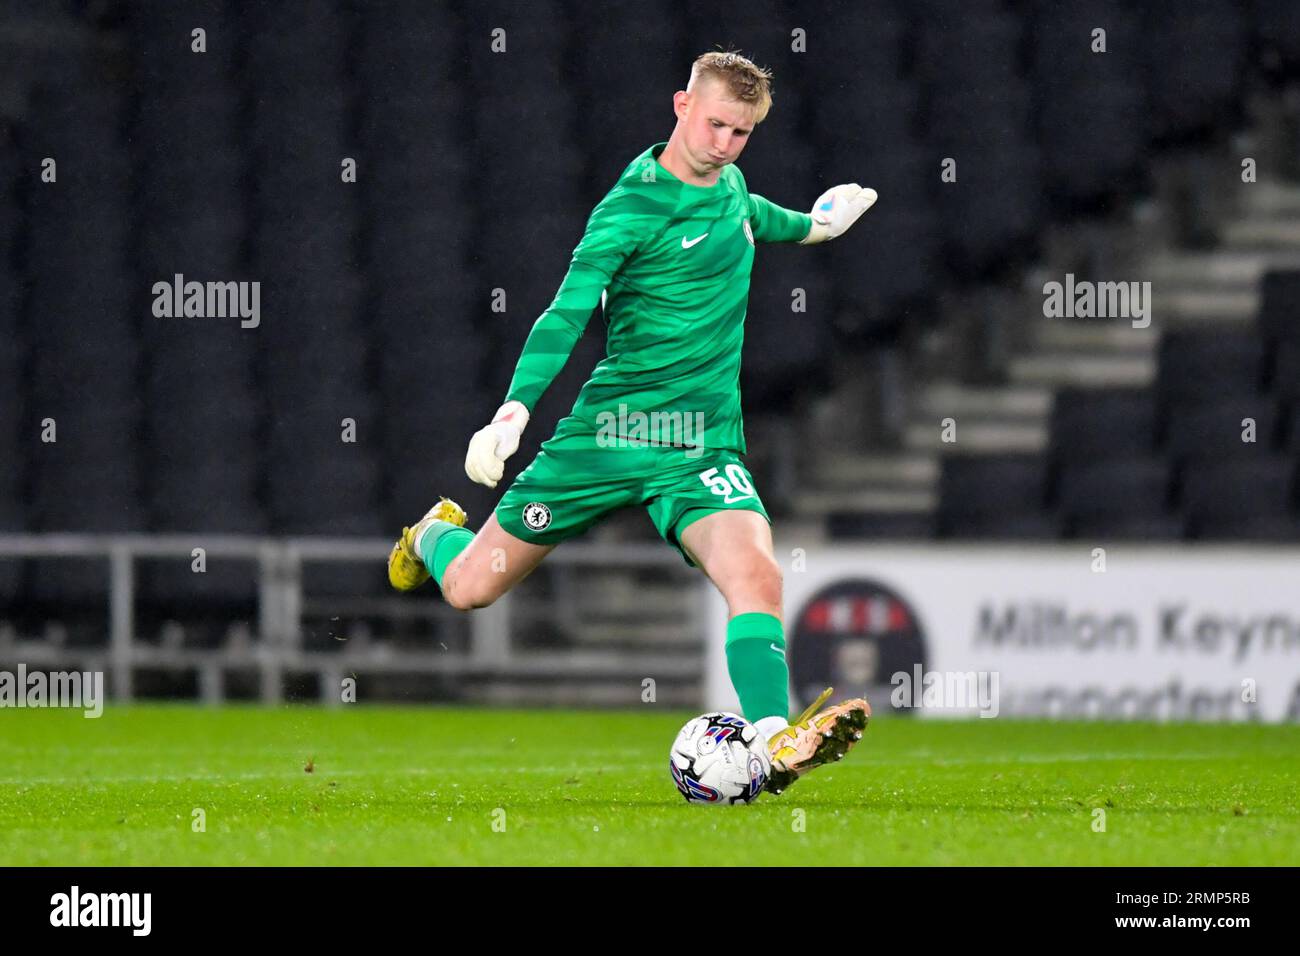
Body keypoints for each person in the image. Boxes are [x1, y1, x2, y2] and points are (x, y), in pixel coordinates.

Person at [387, 50, 877, 794]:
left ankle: (776, 741)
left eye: (741, 133)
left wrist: (821, 225)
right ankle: (431, 533)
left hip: (701, 442)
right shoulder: (627, 210)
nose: (724, 144)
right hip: (611, 435)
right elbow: (567, 312)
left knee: (756, 573)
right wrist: (513, 411)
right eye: (714, 124)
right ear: (681, 105)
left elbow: (762, 219)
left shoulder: (732, 188)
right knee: (471, 590)